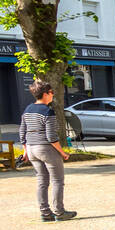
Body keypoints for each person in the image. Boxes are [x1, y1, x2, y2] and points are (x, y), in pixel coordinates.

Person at [18, 81, 75, 222]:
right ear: (45, 94)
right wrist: (62, 153)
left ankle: (45, 213)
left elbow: (22, 132)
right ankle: (59, 212)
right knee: (57, 180)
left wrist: (25, 151)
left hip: (31, 149)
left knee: (42, 181)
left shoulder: (28, 109)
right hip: (45, 149)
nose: (53, 94)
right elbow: (51, 137)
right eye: (51, 92)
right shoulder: (48, 111)